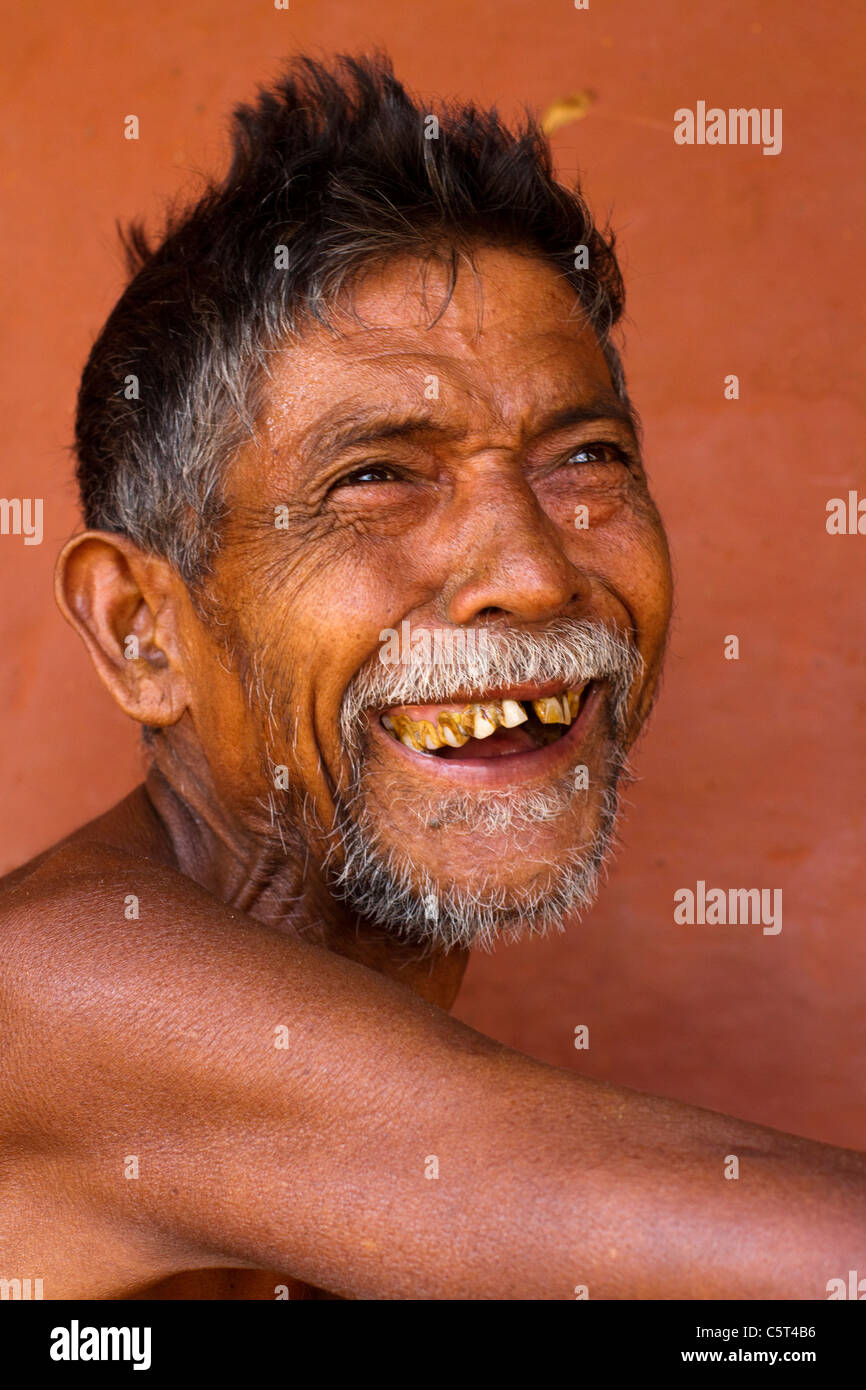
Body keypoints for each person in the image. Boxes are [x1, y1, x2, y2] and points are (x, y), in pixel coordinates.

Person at [2, 52, 862, 1301]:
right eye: (375, 478)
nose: (532, 570)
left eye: (584, 456)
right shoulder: (59, 986)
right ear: (143, 630)